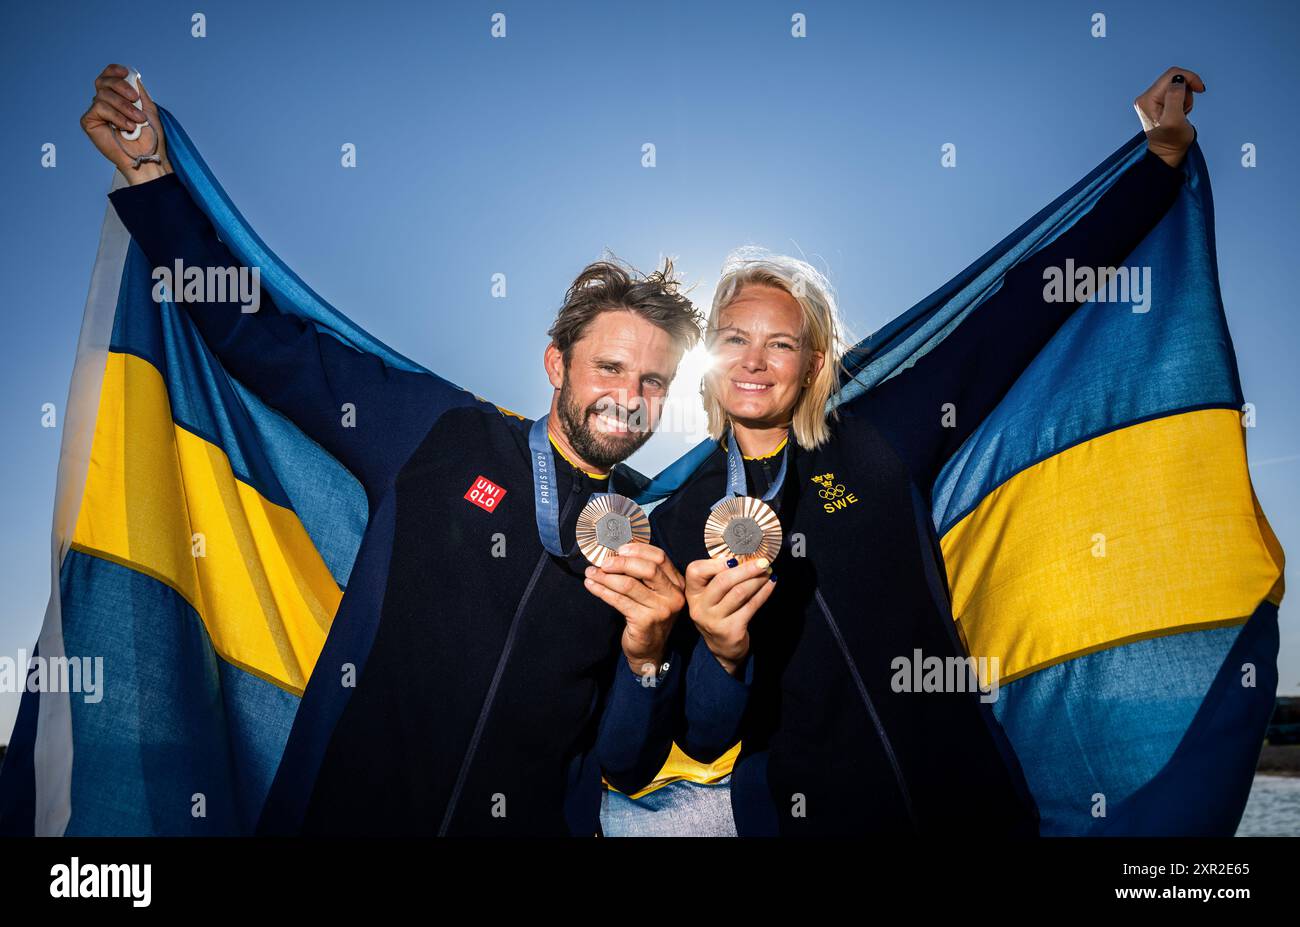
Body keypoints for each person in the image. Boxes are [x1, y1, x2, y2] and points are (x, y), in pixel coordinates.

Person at [80, 64, 704, 835]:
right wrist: (151, 182)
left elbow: (631, 765)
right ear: (556, 364)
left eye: (653, 380)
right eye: (609, 366)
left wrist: (648, 656)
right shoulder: (440, 431)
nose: (627, 396)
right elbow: (264, 341)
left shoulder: (652, 533)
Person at [633, 68, 1204, 836]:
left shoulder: (884, 436)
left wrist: (1155, 165)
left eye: (782, 343)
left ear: (813, 360)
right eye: (735, 339)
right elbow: (703, 738)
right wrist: (722, 651)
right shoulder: (679, 520)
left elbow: (1023, 307)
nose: (757, 361)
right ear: (709, 355)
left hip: (972, 805)